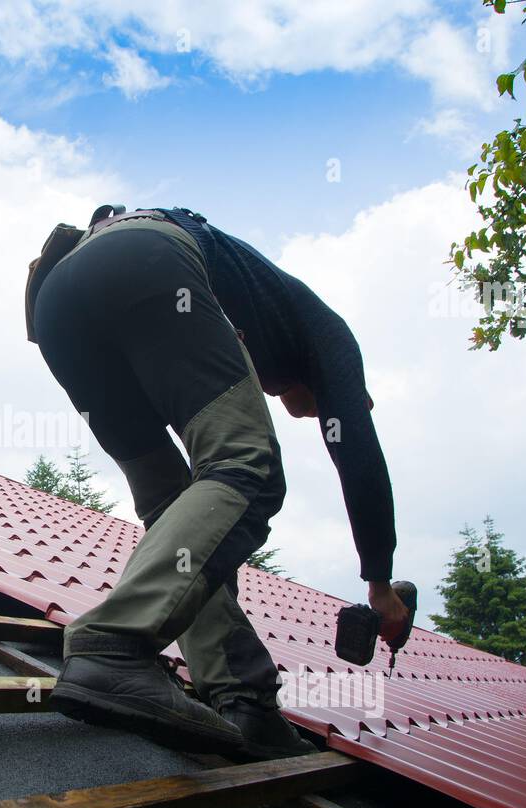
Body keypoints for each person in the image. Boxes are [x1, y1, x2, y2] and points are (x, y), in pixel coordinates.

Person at [31, 206, 410, 759]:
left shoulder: (249, 321)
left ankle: (244, 701)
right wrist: (381, 584)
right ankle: (114, 644)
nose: (305, 412)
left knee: (170, 503)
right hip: (144, 258)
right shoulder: (330, 340)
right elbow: (360, 456)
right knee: (247, 465)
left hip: (59, 304)